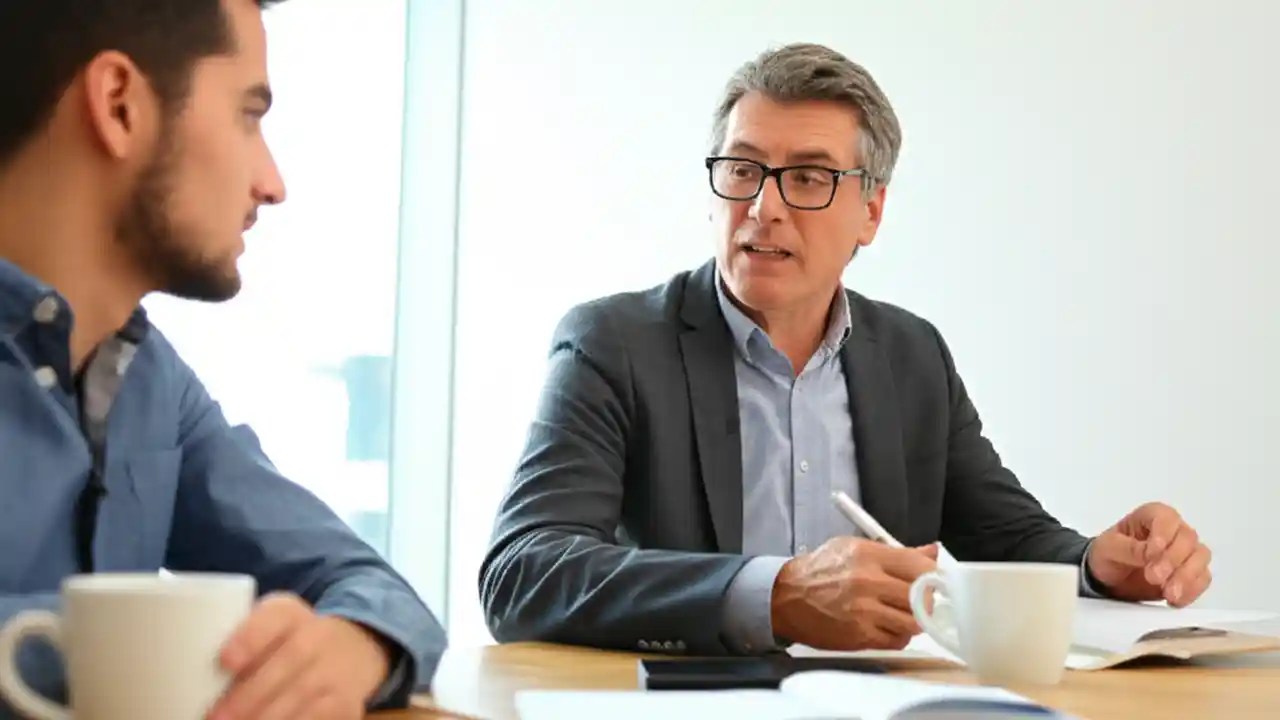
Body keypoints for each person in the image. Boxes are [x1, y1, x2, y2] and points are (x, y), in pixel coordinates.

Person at [479, 42, 1213, 657]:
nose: (764, 207)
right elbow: (523, 572)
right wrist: (777, 596)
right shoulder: (615, 344)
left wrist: (1101, 566)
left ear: (871, 210)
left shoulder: (911, 354)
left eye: (807, 177)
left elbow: (1005, 536)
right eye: (742, 170)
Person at [0, 1, 445, 717]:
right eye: (249, 114)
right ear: (119, 106)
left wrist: (356, 641)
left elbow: (363, 580)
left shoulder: (151, 383)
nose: (273, 183)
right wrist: (149, 654)